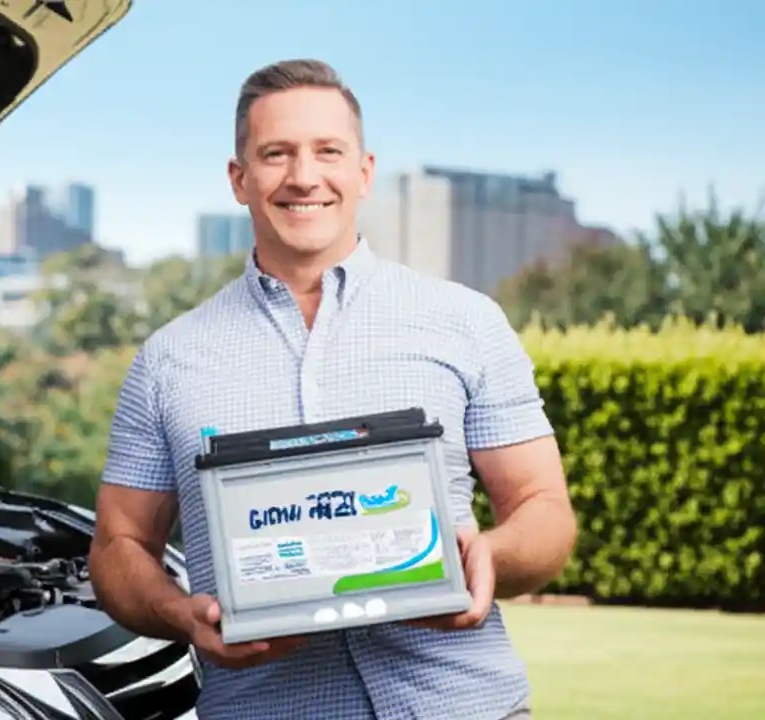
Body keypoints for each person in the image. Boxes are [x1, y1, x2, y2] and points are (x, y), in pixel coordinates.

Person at [87, 58, 577, 720]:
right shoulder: (168, 361)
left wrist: (486, 556)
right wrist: (182, 614)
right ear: (239, 179)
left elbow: (544, 507)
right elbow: (118, 545)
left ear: (364, 172)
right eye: (275, 154)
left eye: (328, 152)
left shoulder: (466, 322)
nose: (304, 177)